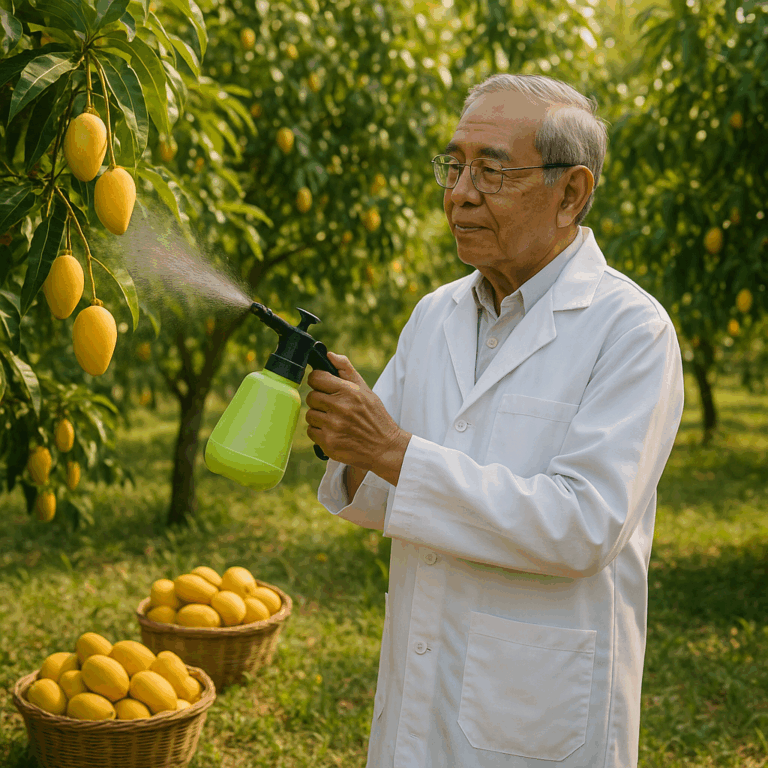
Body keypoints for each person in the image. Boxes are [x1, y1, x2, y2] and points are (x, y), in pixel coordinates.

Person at [305, 73, 684, 768]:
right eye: (453, 166)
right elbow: (379, 494)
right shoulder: (436, 314)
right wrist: (349, 439)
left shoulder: (631, 331)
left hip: (538, 712)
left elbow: (584, 527)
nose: (460, 193)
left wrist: (390, 450)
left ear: (571, 193)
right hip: (420, 694)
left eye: (492, 171)